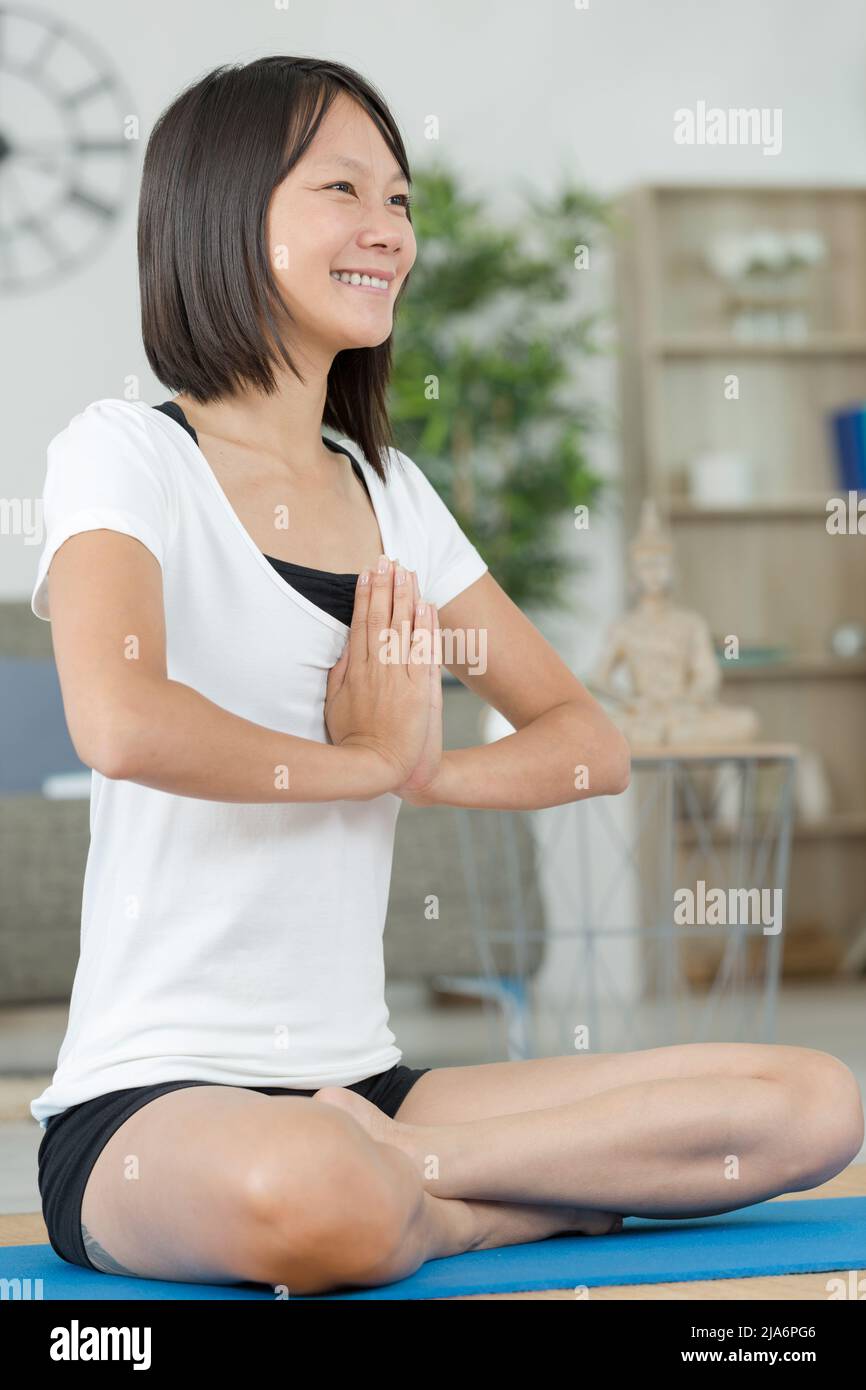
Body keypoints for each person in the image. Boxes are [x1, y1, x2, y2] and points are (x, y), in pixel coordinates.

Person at [32, 56, 862, 1296]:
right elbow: (120, 719)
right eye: (343, 190)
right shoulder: (125, 454)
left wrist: (421, 772)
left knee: (810, 1102)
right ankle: (492, 1201)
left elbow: (587, 741)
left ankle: (419, 1179)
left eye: (400, 200)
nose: (389, 230)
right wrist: (362, 761)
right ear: (221, 209)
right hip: (151, 1103)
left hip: (371, 1087)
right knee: (317, 1188)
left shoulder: (393, 496)